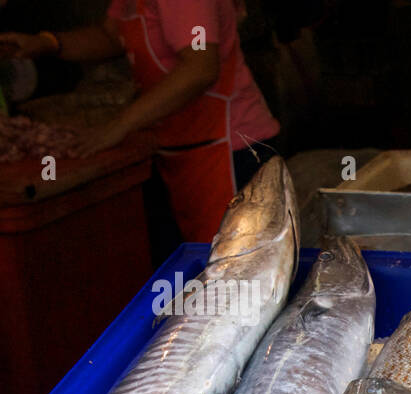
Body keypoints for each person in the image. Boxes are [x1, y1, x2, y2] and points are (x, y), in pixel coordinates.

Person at [0, 0, 281, 242]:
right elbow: (111, 35)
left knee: (234, 270)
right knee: (198, 271)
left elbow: (200, 68)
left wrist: (118, 126)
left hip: (230, 151)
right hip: (183, 149)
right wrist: (47, 43)